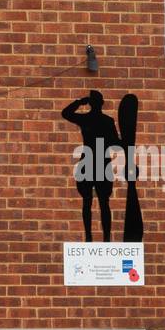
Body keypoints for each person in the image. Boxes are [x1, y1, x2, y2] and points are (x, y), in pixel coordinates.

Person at [61, 90, 121, 242]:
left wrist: (79, 102)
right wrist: (124, 142)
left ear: (90, 103)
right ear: (101, 103)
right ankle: (105, 238)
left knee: (88, 201)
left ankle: (90, 236)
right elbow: (115, 143)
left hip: (88, 162)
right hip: (100, 163)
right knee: (103, 202)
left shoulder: (86, 119)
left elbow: (66, 113)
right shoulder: (107, 121)